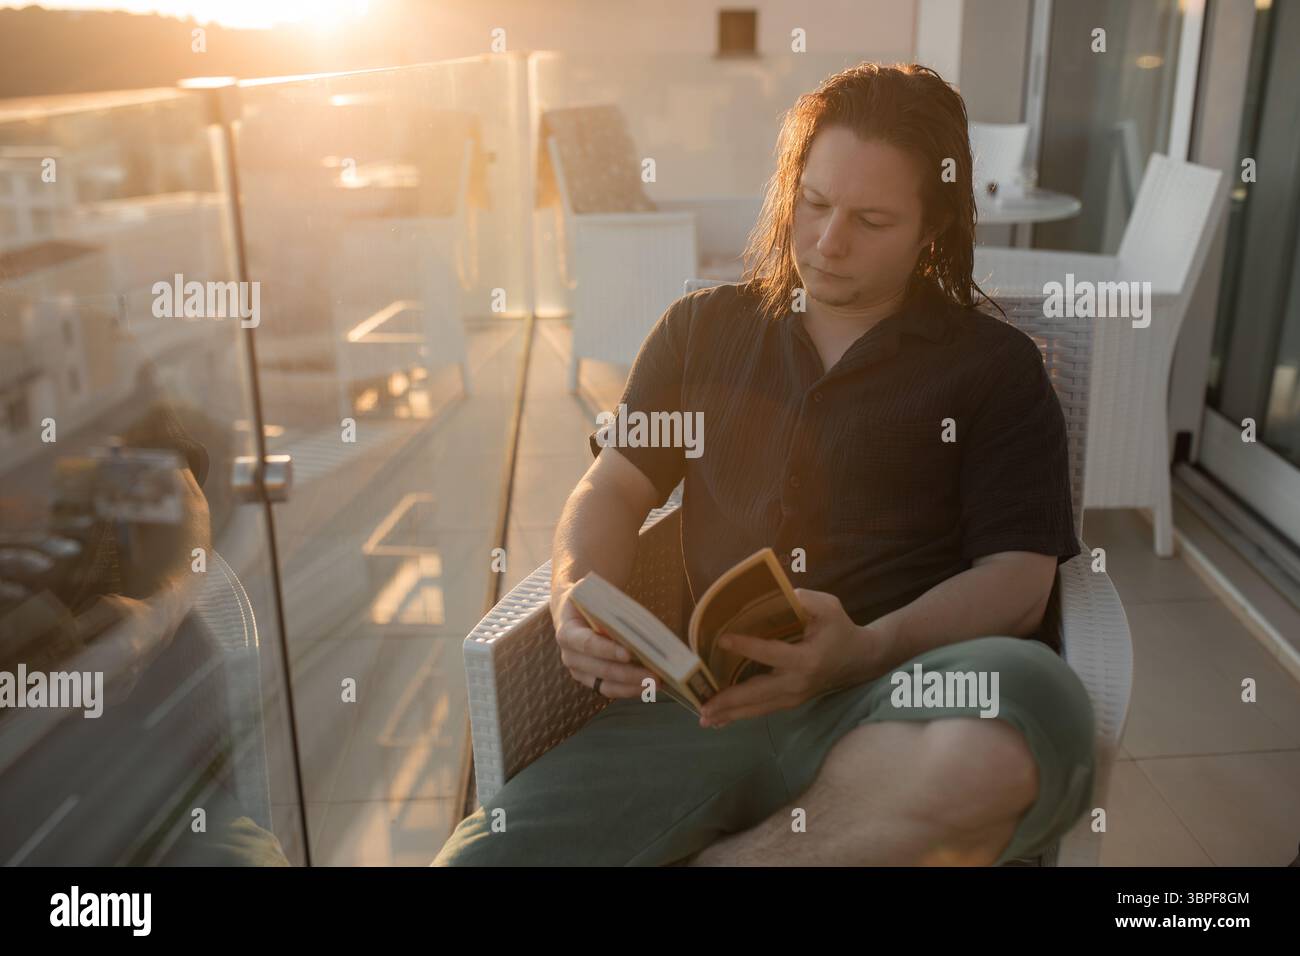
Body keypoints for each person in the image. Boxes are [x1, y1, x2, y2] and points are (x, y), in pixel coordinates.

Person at [433, 62, 1095, 867]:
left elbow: (1020, 580)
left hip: (899, 692)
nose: (827, 241)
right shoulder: (703, 332)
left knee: (1032, 714)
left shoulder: (993, 368)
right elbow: (612, 484)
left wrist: (869, 647)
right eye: (813, 204)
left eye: (872, 220)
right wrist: (577, 593)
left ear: (934, 228)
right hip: (705, 710)